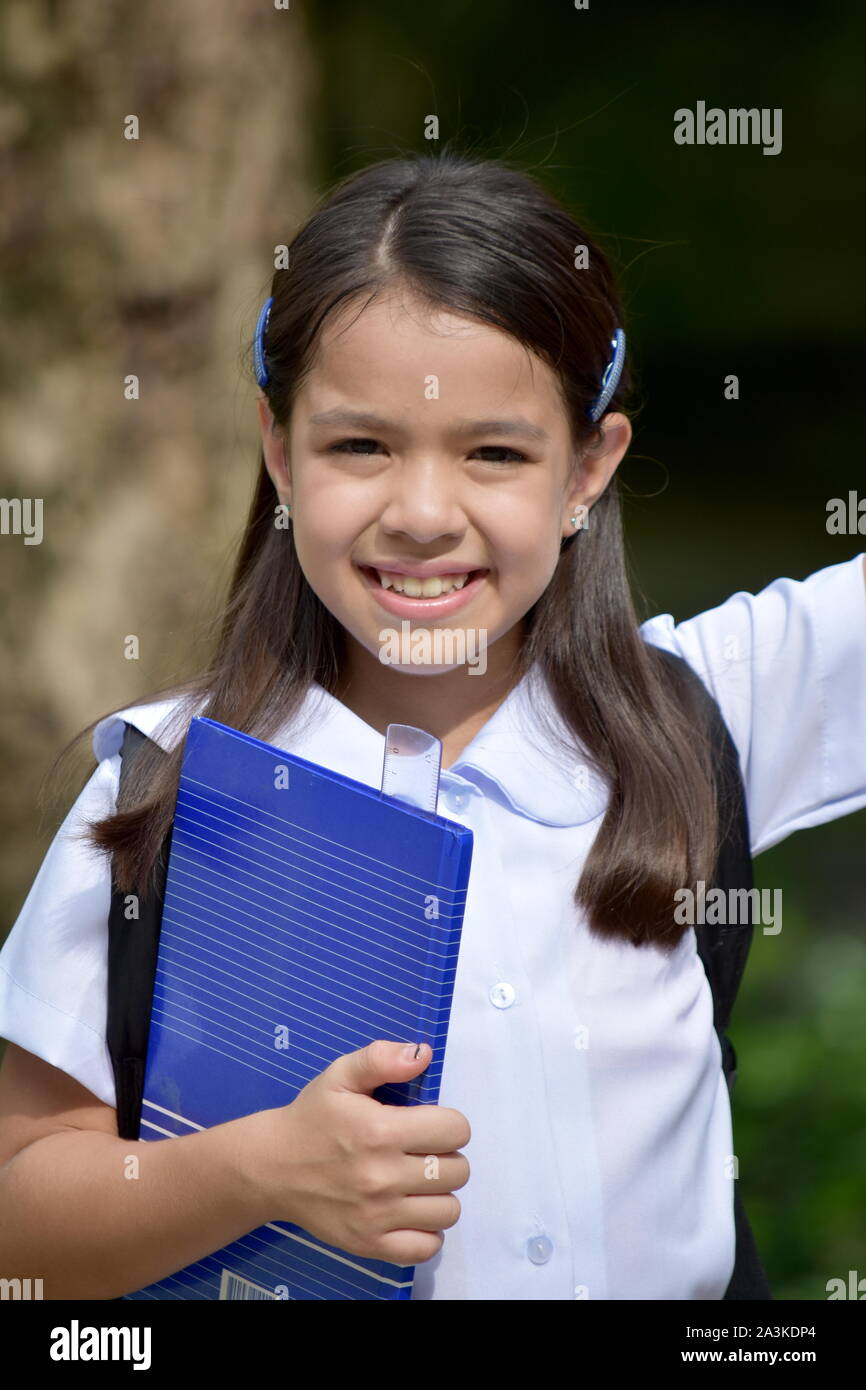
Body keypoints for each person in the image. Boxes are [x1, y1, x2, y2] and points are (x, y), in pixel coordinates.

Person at [1, 150, 865, 1302]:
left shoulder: (702, 704)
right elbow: (21, 1215)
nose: (419, 514)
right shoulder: (160, 786)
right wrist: (255, 1170)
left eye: (494, 453)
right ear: (277, 451)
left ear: (586, 469)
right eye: (359, 445)